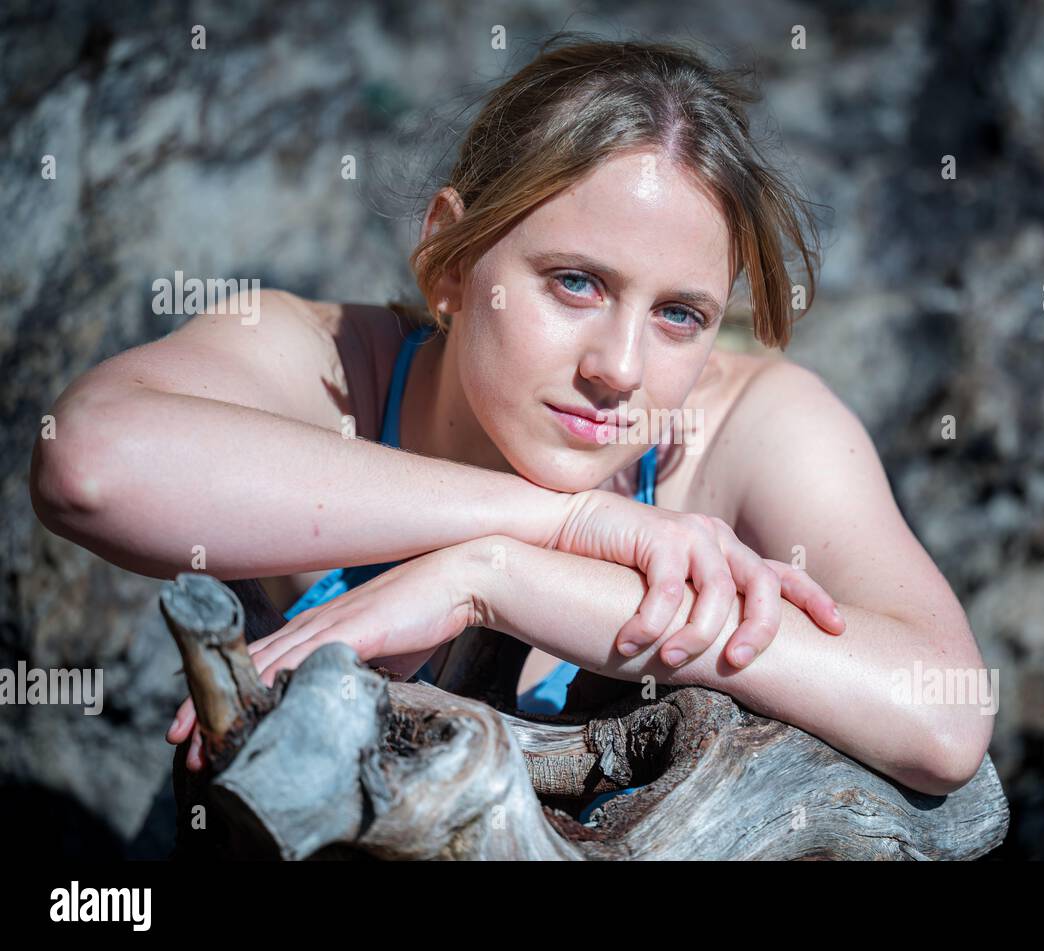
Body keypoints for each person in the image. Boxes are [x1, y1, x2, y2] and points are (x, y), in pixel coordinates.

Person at [30, 34, 992, 804]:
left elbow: (945, 717)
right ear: (451, 254)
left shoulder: (749, 424)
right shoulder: (327, 368)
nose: (619, 369)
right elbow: (89, 467)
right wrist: (564, 523)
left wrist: (492, 575)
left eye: (679, 314)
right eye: (575, 282)